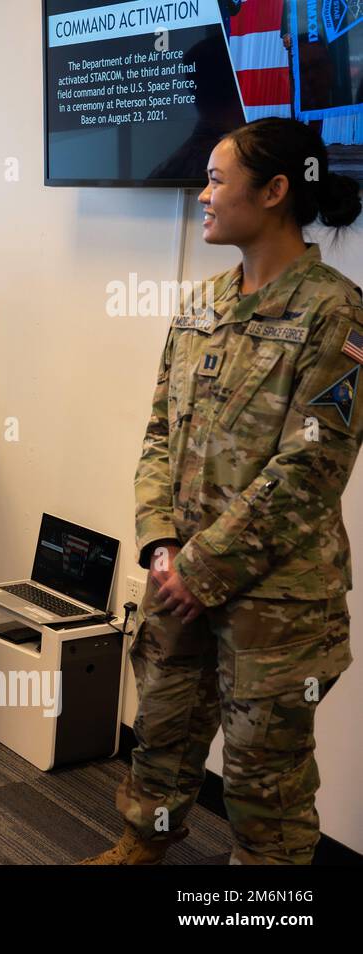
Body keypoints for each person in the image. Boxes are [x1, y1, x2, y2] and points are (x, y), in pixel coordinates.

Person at [85, 118, 361, 864]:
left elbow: (310, 468)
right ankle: (141, 847)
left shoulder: (337, 314)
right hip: (177, 579)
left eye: (215, 180)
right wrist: (160, 545)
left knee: (262, 782)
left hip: (274, 602)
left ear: (274, 192)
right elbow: (158, 434)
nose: (202, 195)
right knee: (162, 736)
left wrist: (201, 570)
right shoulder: (202, 303)